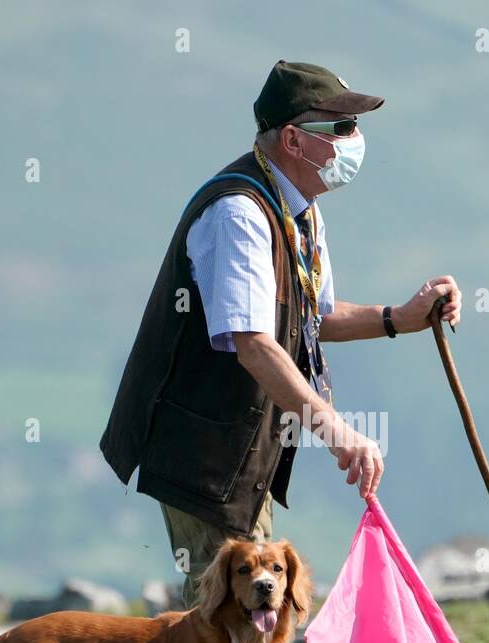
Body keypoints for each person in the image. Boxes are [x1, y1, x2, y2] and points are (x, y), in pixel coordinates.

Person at [100, 60, 463, 606]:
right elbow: (255, 343)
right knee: (224, 617)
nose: (355, 140)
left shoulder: (301, 212)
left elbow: (313, 316)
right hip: (201, 447)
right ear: (294, 139)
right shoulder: (239, 214)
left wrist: (401, 318)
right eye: (341, 127)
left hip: (248, 445)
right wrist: (339, 432)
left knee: (245, 618)